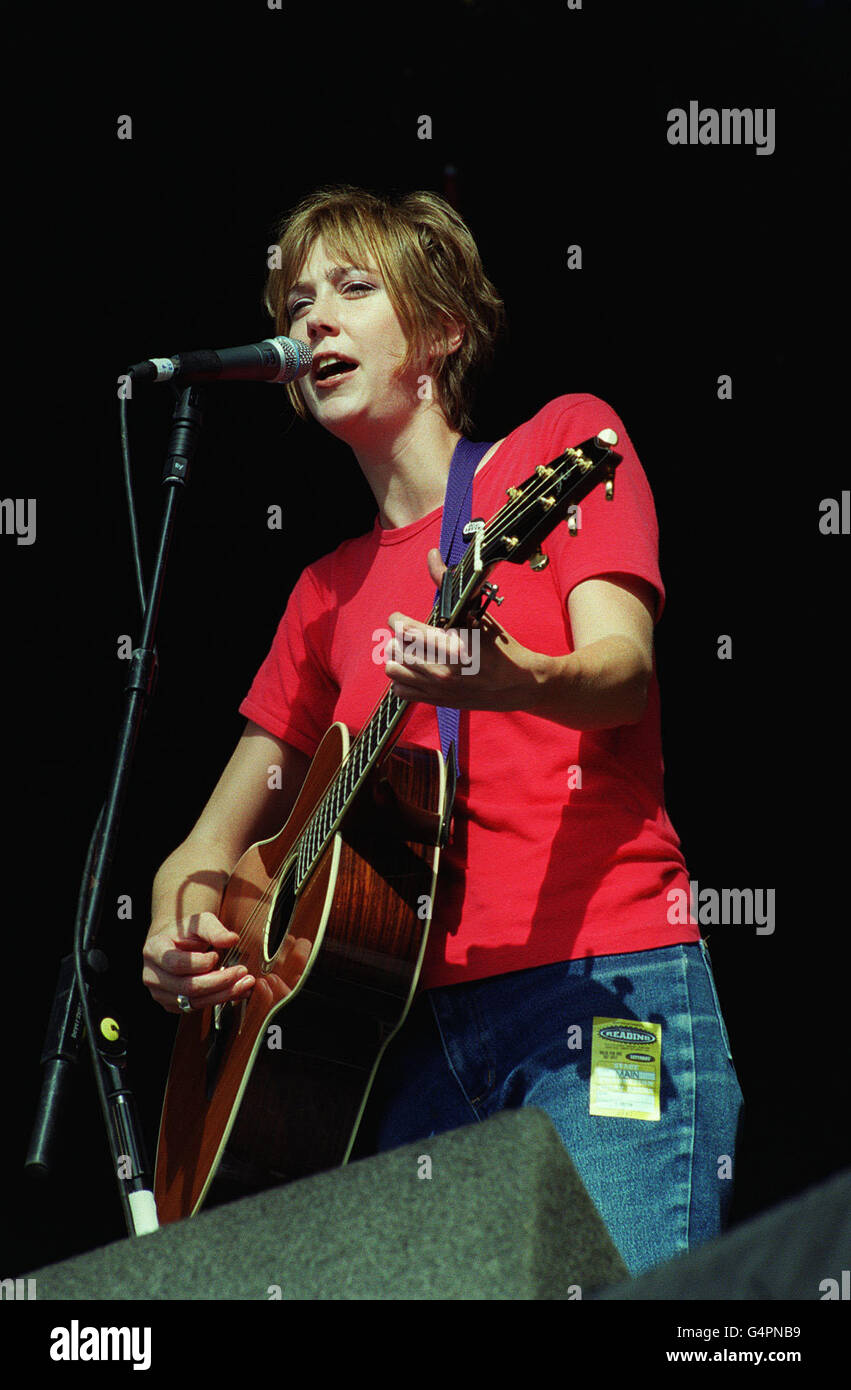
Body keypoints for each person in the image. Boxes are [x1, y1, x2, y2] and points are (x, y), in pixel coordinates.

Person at [142, 184, 743, 1277]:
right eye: (298, 296)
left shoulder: (562, 445)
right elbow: (202, 850)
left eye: (352, 289)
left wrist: (511, 677)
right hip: (397, 1043)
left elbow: (620, 676)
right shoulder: (320, 594)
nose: (312, 317)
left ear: (440, 333)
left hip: (598, 984)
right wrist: (180, 928)